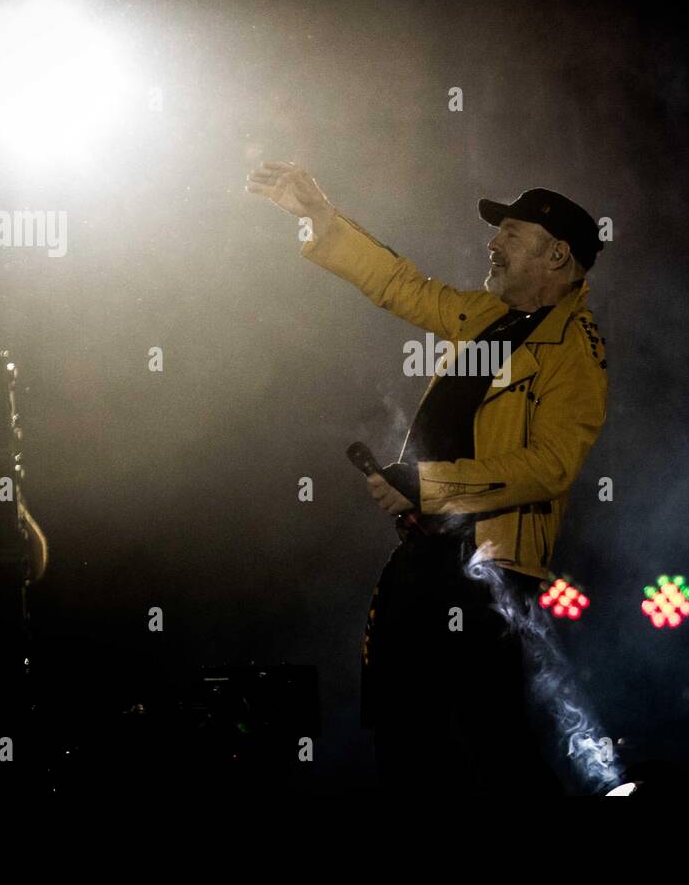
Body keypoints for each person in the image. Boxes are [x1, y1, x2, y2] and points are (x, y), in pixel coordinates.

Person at [247, 162, 608, 793]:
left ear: (557, 256)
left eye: (512, 235)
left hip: (486, 568)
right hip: (429, 554)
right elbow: (398, 284)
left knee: (484, 736)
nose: (493, 244)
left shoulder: (574, 348)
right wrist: (320, 218)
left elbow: (552, 467)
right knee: (405, 724)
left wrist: (429, 485)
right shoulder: (486, 317)